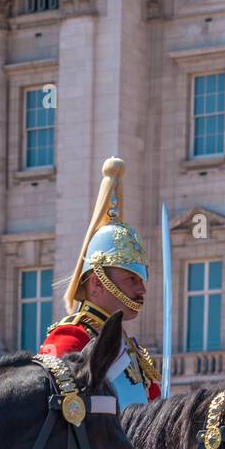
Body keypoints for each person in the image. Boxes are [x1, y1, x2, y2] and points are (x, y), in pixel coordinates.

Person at [40, 157, 160, 406]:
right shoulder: (72, 338)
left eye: (141, 279)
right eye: (131, 279)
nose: (142, 289)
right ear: (97, 283)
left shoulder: (132, 350)